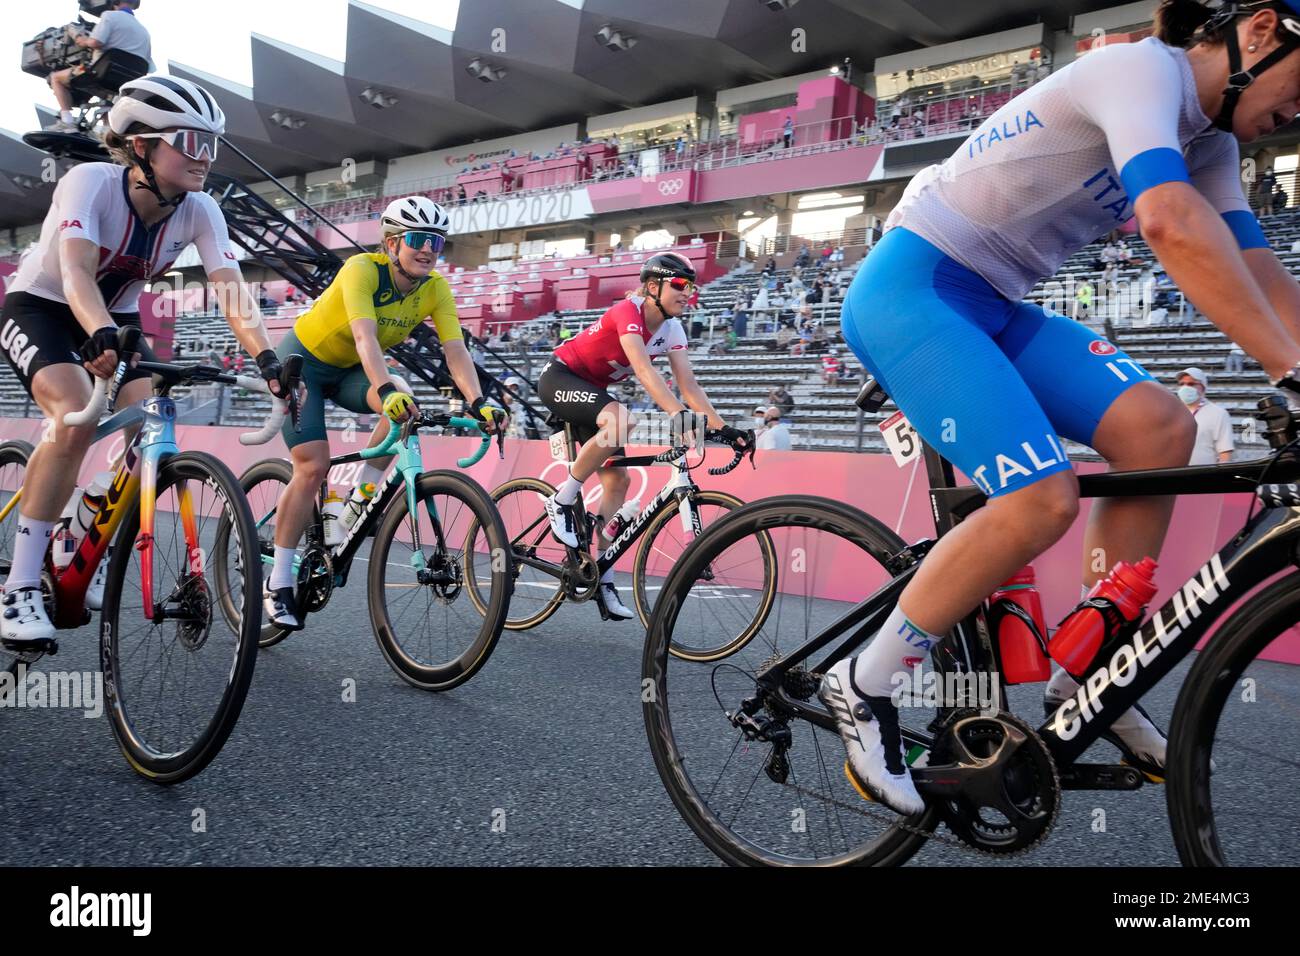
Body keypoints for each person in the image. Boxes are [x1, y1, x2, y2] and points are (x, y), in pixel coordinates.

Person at [830, 0, 1300, 814]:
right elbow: (1168, 219)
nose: (1299, 113)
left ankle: (1087, 675)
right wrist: (1289, 371)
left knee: (1162, 427)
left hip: (996, 304)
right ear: (1260, 30)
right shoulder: (1138, 71)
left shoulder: (1211, 141)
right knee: (1042, 498)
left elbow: (1259, 272)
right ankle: (862, 683)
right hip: (914, 291)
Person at [0, 74, 290, 643]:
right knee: (73, 415)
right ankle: (21, 585)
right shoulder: (90, 182)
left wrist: (267, 360)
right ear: (141, 145)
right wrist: (100, 333)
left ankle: (85, 525)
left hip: (117, 319)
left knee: (151, 425)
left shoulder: (201, 208)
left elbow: (231, 291)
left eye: (213, 145)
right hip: (44, 304)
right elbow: (78, 271)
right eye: (190, 142)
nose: (204, 158)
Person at [264, 196, 502, 629]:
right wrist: (385, 387)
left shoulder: (435, 288)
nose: (428, 249)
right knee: (312, 466)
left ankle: (357, 503)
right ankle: (278, 580)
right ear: (392, 244)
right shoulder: (361, 270)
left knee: (405, 406)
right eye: (417, 239)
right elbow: (364, 337)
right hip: (304, 366)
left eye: (436, 241)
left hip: (351, 371)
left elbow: (454, 349)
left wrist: (478, 401)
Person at [537, 252, 749, 620]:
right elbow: (643, 369)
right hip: (561, 377)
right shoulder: (628, 312)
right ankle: (561, 498)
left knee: (619, 481)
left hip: (595, 393)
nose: (688, 293)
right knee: (623, 420)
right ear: (653, 287)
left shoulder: (673, 329)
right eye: (680, 285)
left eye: (692, 287)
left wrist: (723, 428)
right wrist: (679, 416)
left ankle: (600, 575)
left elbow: (689, 385)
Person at [49, 1, 153, 133]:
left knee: (55, 78)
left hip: (99, 73)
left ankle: (67, 122)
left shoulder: (109, 16)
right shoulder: (143, 31)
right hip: (126, 82)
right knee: (108, 94)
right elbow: (148, 65)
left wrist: (80, 38)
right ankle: (106, 132)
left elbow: (95, 42)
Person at [1177, 366, 1235, 463]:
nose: (1185, 387)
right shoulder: (1173, 411)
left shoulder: (1218, 413)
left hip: (1203, 475)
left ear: (1203, 387)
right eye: (1182, 384)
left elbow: (1225, 452)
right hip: (1175, 473)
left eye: (1191, 384)